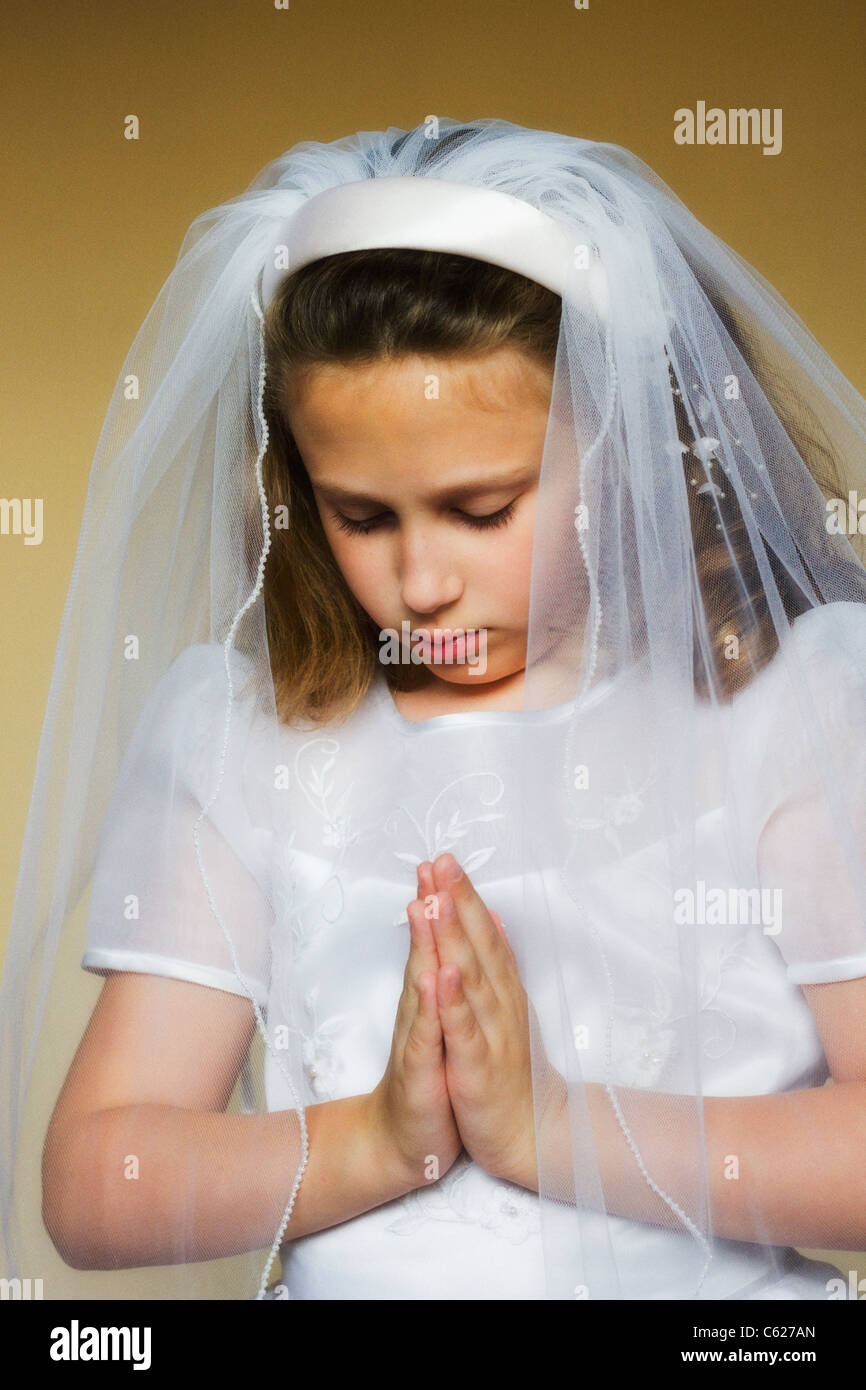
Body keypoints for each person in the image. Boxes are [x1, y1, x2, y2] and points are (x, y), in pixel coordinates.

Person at [5, 116, 866, 1301]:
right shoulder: (248, 735)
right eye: (362, 516)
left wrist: (550, 1127)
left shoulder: (785, 707)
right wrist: (372, 1142)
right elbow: (99, 1182)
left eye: (480, 507)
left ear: (628, 445)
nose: (418, 582)